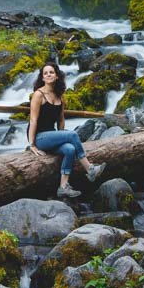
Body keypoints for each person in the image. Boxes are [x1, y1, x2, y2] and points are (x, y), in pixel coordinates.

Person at [27, 63, 105, 199]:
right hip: (39, 137)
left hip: (51, 136)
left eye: (51, 72)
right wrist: (32, 144)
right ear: (42, 78)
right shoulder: (38, 95)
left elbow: (61, 120)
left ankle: (63, 187)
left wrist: (62, 138)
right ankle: (89, 168)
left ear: (57, 76)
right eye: (45, 73)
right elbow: (33, 120)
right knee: (72, 134)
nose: (48, 75)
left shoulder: (60, 96)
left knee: (70, 149)